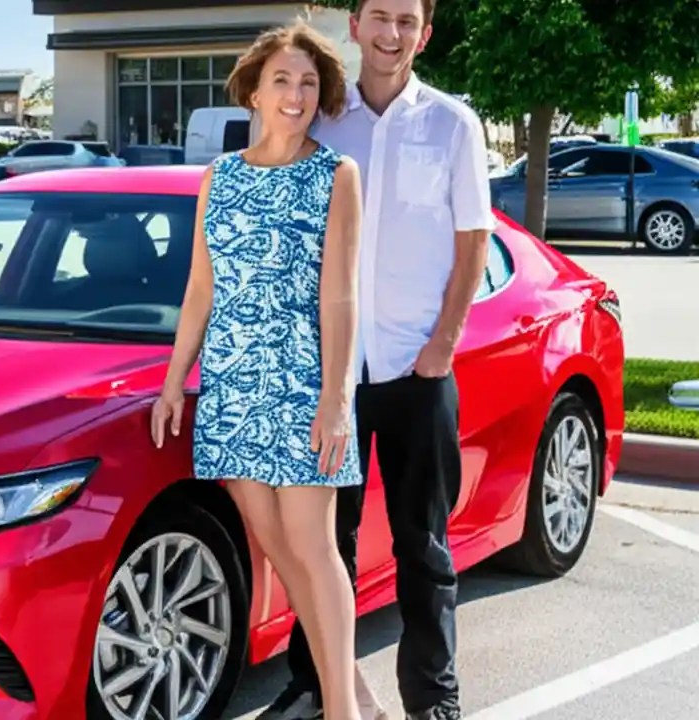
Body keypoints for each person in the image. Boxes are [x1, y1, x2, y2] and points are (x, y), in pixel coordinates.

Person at [267, 1, 495, 719]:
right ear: (357, 26)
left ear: (422, 35)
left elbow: (473, 242)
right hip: (329, 377)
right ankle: (316, 685)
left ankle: (433, 700)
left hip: (415, 374)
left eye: (407, 21)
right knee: (321, 543)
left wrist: (441, 349)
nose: (392, 33)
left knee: (422, 547)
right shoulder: (324, 122)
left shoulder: (453, 124)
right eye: (380, 17)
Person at [150, 20, 368, 720]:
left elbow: (340, 295)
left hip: (304, 383)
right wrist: (173, 382)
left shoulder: (335, 175)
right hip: (232, 383)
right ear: (254, 88)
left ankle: (340, 710)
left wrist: (335, 399)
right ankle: (357, 694)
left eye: (309, 82)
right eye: (283, 80)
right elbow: (199, 291)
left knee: (314, 545)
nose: (296, 94)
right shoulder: (221, 177)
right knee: (276, 546)